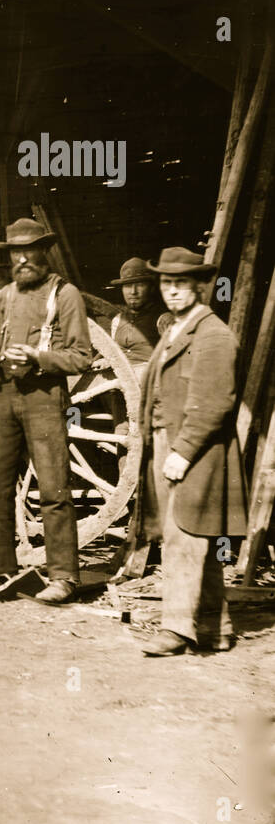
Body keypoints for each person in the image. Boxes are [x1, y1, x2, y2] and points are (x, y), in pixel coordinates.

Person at [0, 217, 93, 604]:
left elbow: (82, 357)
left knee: (53, 488)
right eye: (15, 253)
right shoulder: (4, 296)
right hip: (6, 395)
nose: (22, 260)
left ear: (44, 252)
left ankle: (64, 577)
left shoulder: (65, 295)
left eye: (29, 251)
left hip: (44, 397)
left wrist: (39, 356)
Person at [134, 248, 246, 656]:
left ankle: (176, 630)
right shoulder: (175, 331)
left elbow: (214, 402)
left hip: (196, 450)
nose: (173, 291)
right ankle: (217, 628)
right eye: (166, 283)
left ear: (200, 287)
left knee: (183, 538)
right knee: (193, 535)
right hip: (169, 441)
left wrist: (181, 451)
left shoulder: (213, 335)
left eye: (181, 283)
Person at [106, 257, 166, 372]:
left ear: (151, 288)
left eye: (140, 285)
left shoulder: (162, 319)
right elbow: (114, 353)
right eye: (128, 286)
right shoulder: (117, 320)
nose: (133, 291)